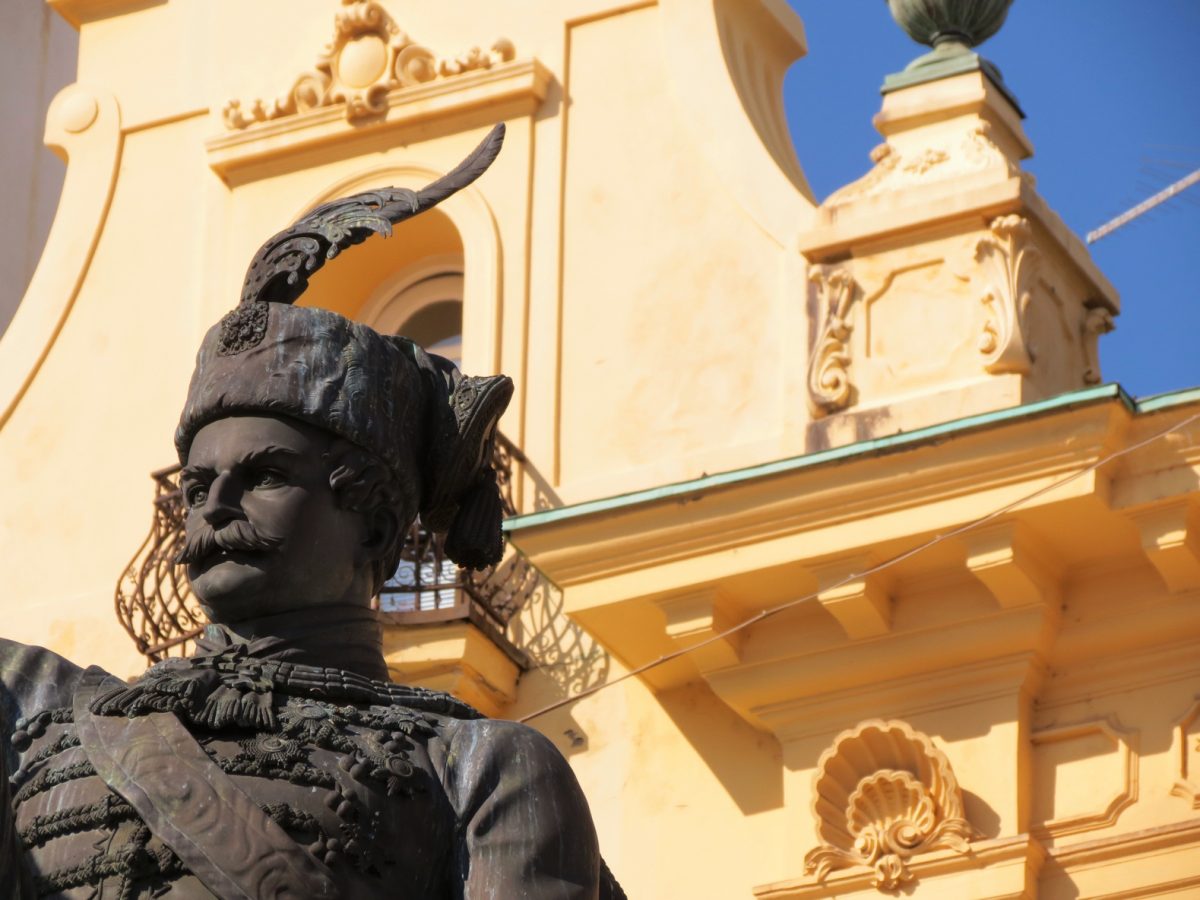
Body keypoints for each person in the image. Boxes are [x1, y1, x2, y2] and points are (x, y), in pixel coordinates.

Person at [0, 124, 622, 899]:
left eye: (264, 476)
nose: (214, 507)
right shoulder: (54, 734)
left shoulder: (483, 768)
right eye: (196, 488)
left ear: (375, 524)